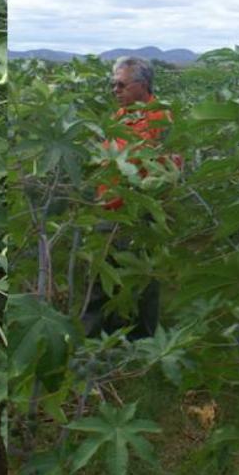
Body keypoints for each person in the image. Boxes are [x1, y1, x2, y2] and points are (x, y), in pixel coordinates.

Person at [84, 56, 180, 339]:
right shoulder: (119, 116)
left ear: (142, 85)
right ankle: (95, 340)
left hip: (138, 212)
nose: (115, 90)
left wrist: (144, 197)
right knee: (101, 276)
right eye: (112, 84)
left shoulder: (161, 118)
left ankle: (144, 340)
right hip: (108, 209)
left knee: (143, 279)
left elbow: (170, 169)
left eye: (121, 84)